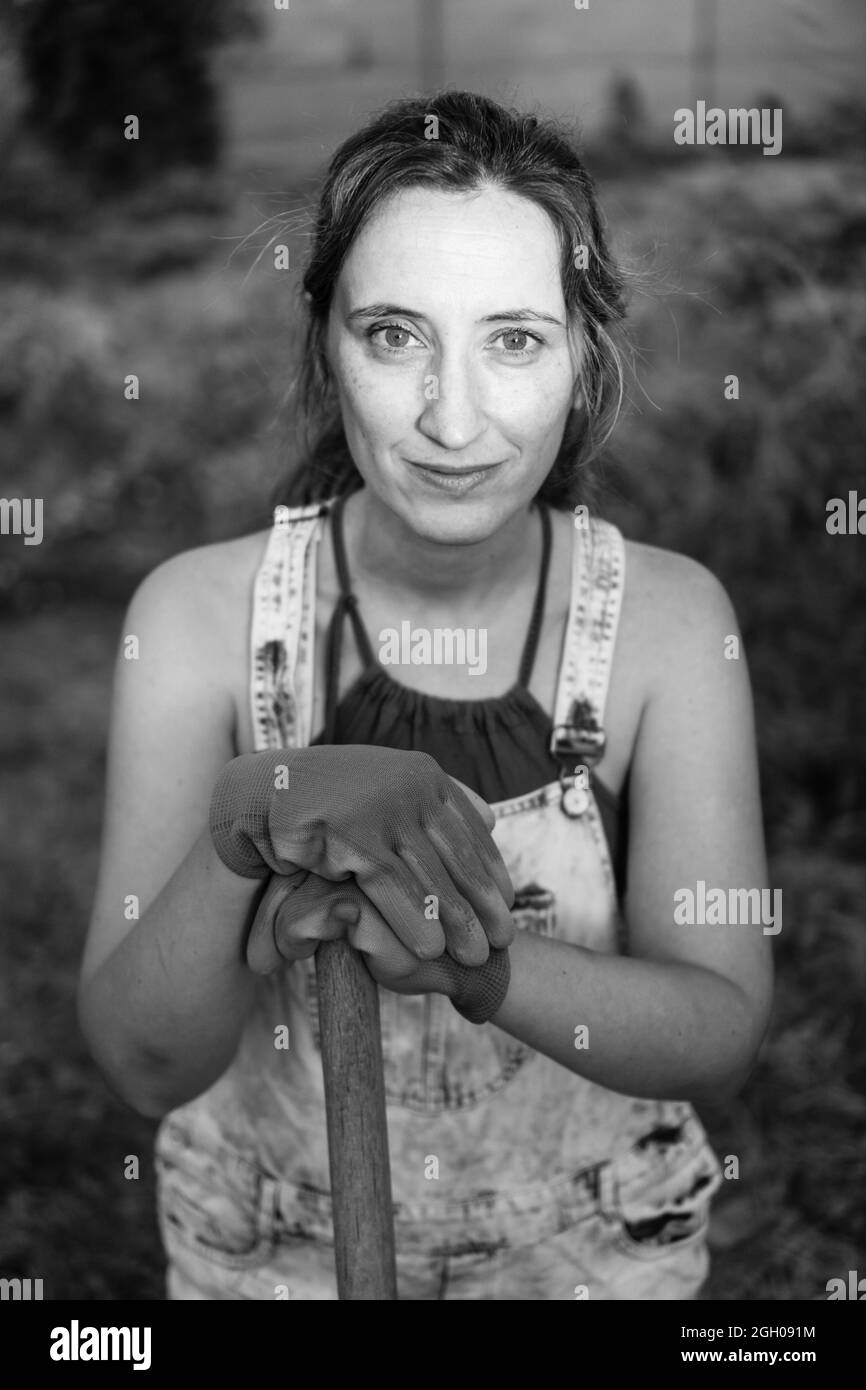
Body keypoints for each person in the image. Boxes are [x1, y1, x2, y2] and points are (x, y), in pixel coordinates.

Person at [78, 91, 773, 1300]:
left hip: (589, 1261)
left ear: (580, 353)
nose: (452, 420)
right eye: (394, 336)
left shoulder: (667, 624)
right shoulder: (196, 622)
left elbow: (716, 1024)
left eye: (512, 339)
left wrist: (471, 963)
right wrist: (260, 809)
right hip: (269, 1259)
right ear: (326, 345)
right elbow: (146, 1063)